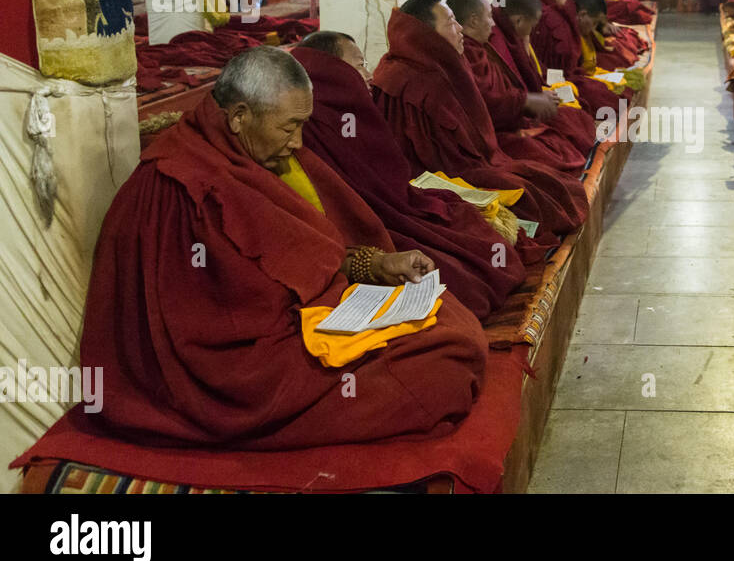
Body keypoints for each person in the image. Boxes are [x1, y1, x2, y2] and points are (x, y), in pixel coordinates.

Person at [77, 46, 489, 449]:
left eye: (302, 126)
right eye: (289, 127)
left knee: (450, 318)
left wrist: (376, 265)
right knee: (442, 365)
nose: (297, 142)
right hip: (231, 372)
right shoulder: (185, 185)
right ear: (239, 117)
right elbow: (231, 313)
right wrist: (334, 304)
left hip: (294, 320)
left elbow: (300, 254)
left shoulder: (248, 154)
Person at [293, 31, 526, 316]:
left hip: (401, 208)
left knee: (483, 230)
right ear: (332, 73)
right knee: (466, 281)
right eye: (359, 65)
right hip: (368, 235)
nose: (368, 74)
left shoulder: (350, 113)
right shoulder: (312, 126)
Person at [372, 0, 590, 245]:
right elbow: (428, 160)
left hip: (477, 159)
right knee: (535, 199)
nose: (460, 28)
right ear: (426, 33)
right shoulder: (408, 78)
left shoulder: (440, 64)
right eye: (452, 22)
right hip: (443, 177)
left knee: (556, 184)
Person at [447, 0, 590, 173]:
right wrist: (526, 101)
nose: (492, 24)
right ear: (474, 20)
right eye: (489, 17)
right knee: (559, 158)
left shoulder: (480, 47)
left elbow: (501, 88)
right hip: (492, 135)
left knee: (573, 126)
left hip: (511, 119)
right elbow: (484, 101)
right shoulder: (466, 52)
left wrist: (530, 98)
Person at [530, 0, 623, 115]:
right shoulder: (550, 20)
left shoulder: (567, 21)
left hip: (559, 80)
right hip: (545, 86)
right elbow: (547, 73)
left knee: (608, 96)